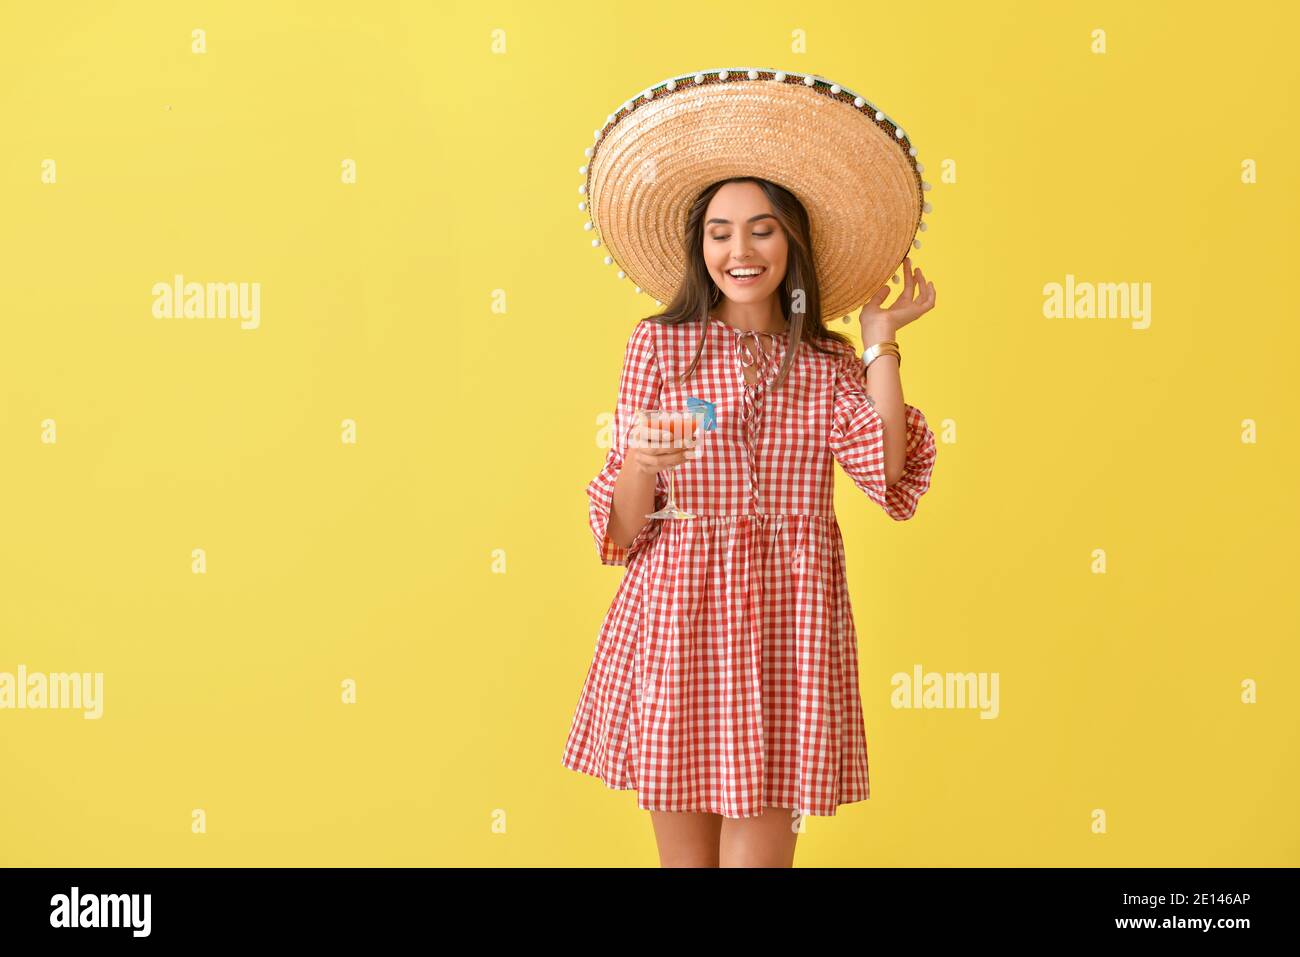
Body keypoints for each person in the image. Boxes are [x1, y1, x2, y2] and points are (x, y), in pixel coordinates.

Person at [562, 69, 939, 867]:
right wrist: (639, 457)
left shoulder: (826, 362)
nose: (741, 250)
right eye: (721, 232)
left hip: (786, 619)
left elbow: (886, 466)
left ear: (791, 242)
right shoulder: (659, 346)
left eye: (763, 229)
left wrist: (879, 342)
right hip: (677, 612)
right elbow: (624, 531)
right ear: (700, 247)